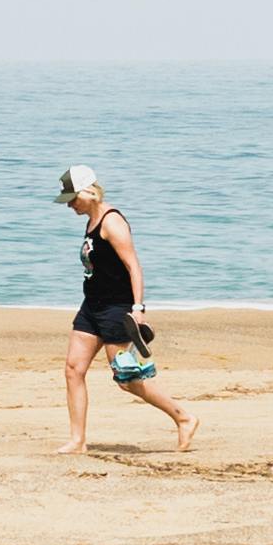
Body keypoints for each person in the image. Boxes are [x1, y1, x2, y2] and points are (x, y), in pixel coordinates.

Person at [57, 166, 194, 459]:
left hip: (116, 309)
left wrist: (137, 309)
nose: (69, 204)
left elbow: (134, 266)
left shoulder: (111, 222)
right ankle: (77, 440)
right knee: (73, 370)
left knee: (127, 379)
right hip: (91, 307)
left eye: (72, 198)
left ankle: (183, 417)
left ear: (87, 193)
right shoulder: (92, 219)